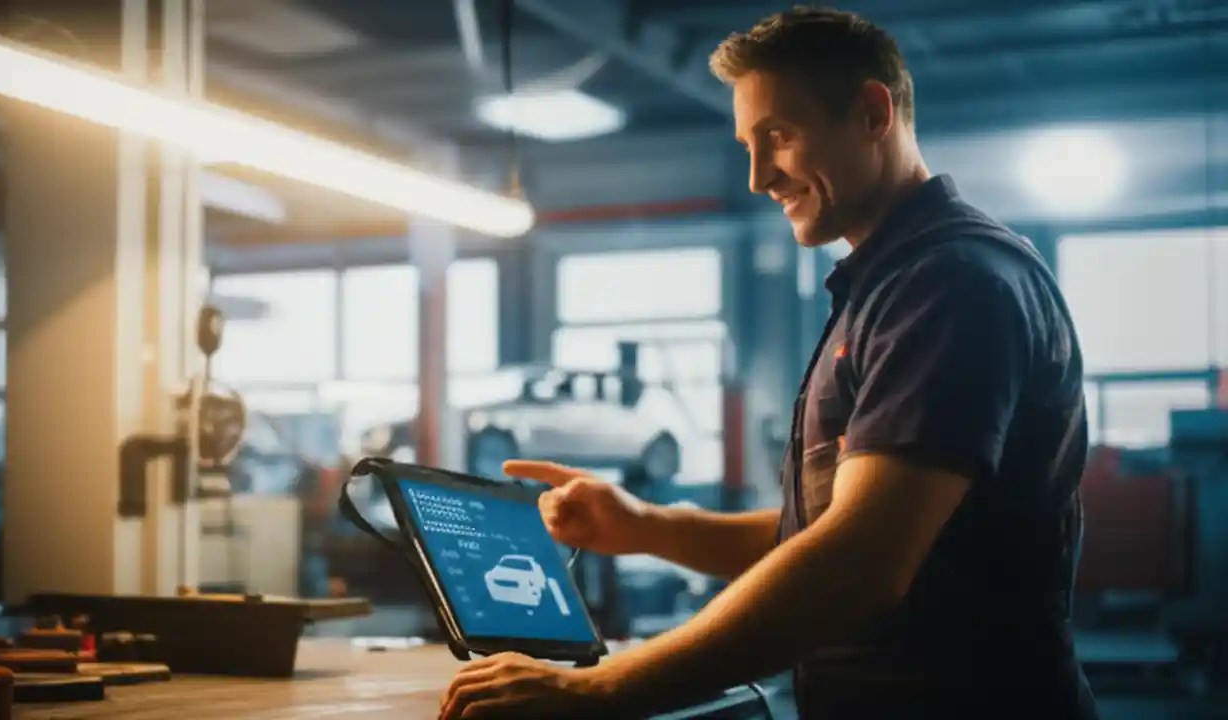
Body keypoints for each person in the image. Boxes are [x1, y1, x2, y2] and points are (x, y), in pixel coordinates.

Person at [439, 7, 1097, 719]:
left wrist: (599, 688)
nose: (757, 177)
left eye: (778, 136)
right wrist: (644, 526)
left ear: (873, 113)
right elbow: (820, 531)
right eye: (747, 145)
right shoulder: (889, 286)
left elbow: (859, 559)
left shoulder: (949, 284)